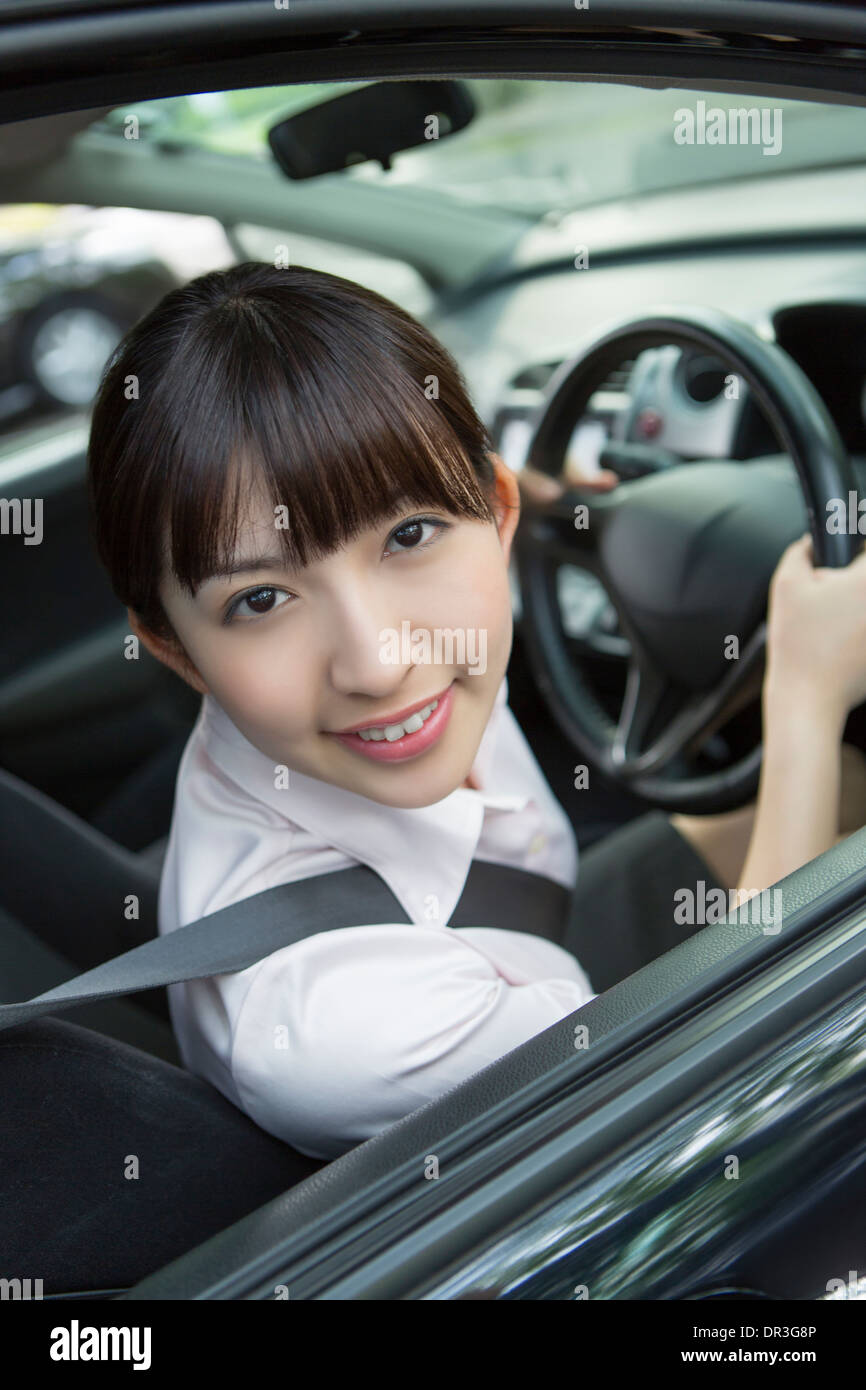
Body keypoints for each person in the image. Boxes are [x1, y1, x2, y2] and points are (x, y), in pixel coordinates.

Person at [84, 261, 866, 1162]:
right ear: (177, 650)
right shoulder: (342, 1028)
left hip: (522, 936)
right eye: (260, 601)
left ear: (494, 513)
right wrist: (804, 694)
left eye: (409, 535)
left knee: (846, 780)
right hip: (579, 1068)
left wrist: (553, 504)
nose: (380, 664)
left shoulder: (326, 705)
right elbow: (734, 1087)